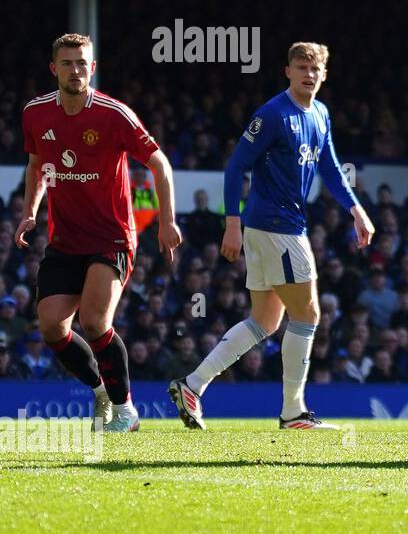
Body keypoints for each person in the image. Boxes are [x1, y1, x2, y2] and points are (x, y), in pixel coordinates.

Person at [168, 42, 375, 430]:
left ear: (324, 74)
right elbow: (235, 169)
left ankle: (192, 384)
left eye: (315, 69)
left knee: (265, 320)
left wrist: (356, 209)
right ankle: (293, 412)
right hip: (276, 227)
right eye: (301, 67)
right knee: (308, 313)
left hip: (278, 228)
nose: (308, 74)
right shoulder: (273, 114)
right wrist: (232, 221)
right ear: (288, 72)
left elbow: (330, 168)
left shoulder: (320, 114)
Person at [17, 33, 182, 431]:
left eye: (83, 63)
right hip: (65, 240)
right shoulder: (35, 113)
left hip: (112, 237)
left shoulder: (114, 115)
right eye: (68, 63)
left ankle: (126, 412)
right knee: (51, 326)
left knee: (93, 322)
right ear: (54, 68)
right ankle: (101, 391)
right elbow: (37, 165)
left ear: (92, 68)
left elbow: (160, 164)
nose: (76, 70)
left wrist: (166, 220)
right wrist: (29, 212)